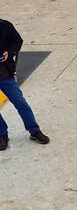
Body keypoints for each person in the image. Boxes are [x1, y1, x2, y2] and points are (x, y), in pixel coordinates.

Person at [0, 18, 49, 149]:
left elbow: (17, 41)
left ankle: (34, 130)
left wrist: (8, 53)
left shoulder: (5, 26)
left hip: (4, 74)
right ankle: (2, 134)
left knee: (20, 103)